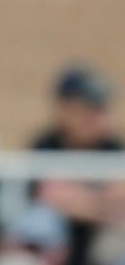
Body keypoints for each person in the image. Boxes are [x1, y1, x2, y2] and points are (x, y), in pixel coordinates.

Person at [28, 66, 125, 265]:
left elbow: (119, 197)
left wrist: (81, 203)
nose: (97, 118)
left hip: (102, 244)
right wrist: (101, 205)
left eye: (100, 109)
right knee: (40, 225)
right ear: (65, 109)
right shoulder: (47, 144)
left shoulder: (112, 147)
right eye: (88, 109)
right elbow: (49, 197)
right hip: (54, 245)